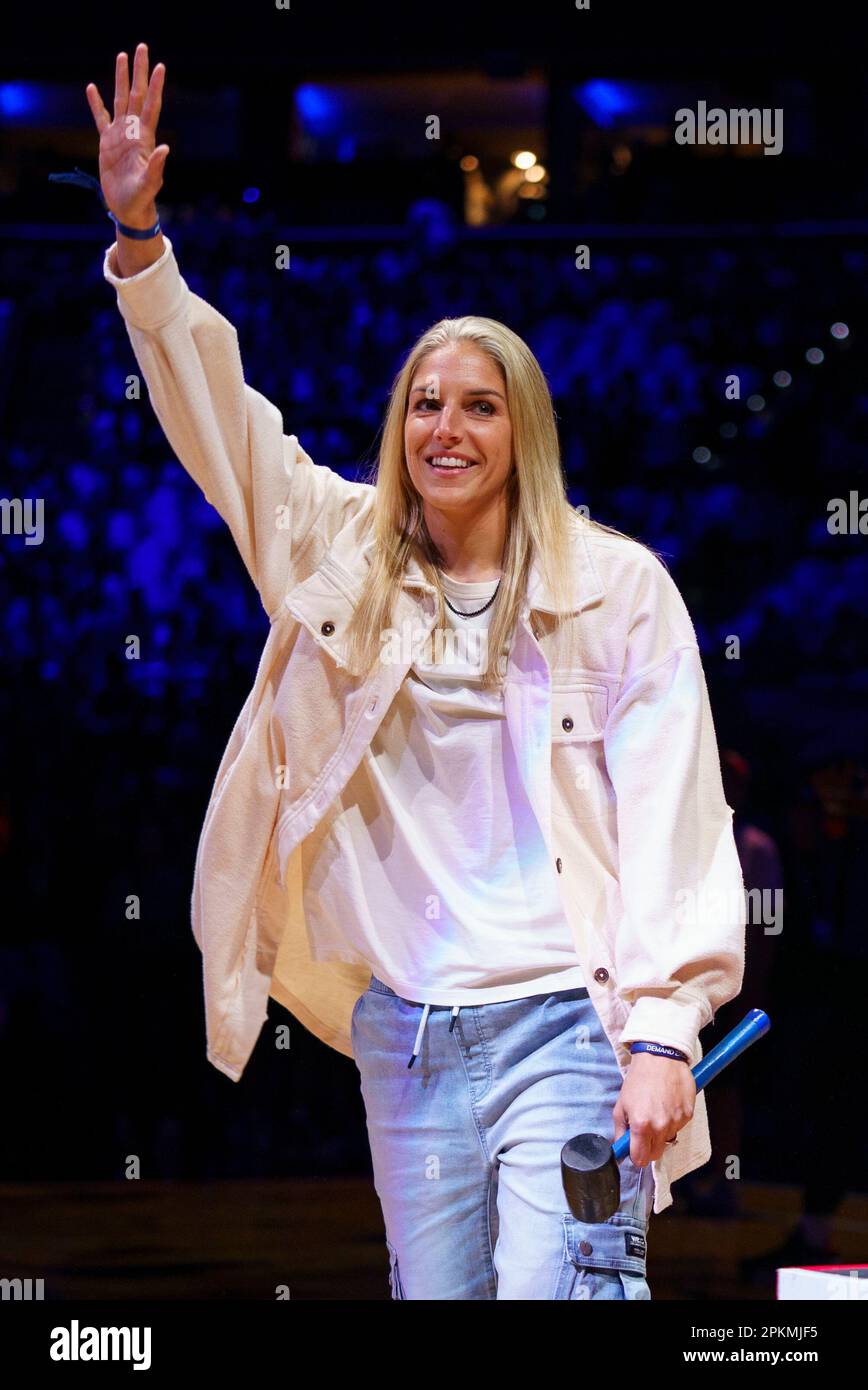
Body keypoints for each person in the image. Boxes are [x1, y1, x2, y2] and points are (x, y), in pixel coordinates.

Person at [87, 44, 746, 1300]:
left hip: (568, 1016)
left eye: (481, 405)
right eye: (425, 403)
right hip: (407, 1028)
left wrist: (663, 1032)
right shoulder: (332, 552)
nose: (447, 426)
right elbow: (223, 421)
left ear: (525, 430)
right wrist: (139, 242)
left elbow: (674, 827)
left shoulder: (618, 589)